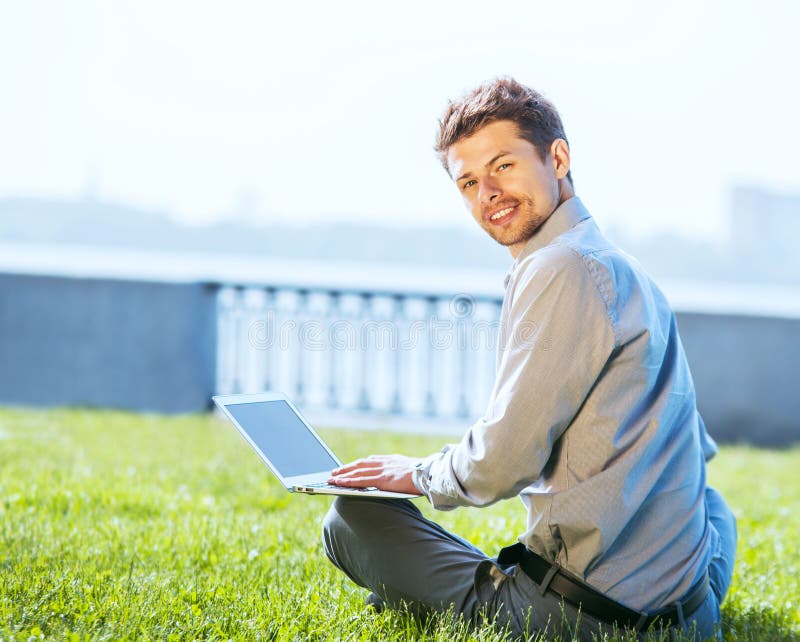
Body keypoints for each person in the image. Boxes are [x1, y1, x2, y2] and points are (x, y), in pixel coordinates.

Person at [321, 77, 737, 641]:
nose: (487, 192)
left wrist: (417, 473)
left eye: (503, 166)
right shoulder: (621, 265)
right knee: (713, 507)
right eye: (469, 181)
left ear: (557, 158)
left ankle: (420, 590)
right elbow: (696, 446)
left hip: (587, 619)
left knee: (350, 518)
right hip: (691, 608)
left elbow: (499, 465)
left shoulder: (561, 267)